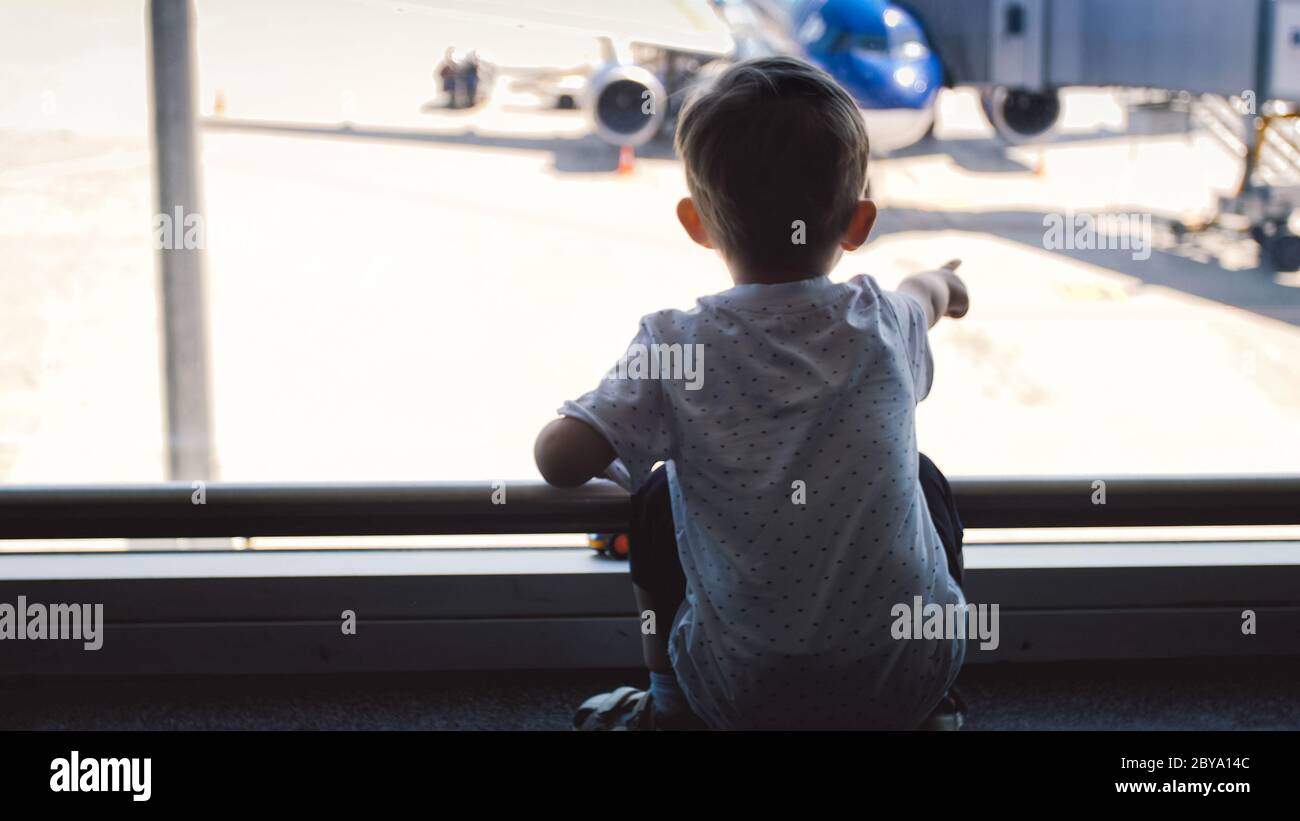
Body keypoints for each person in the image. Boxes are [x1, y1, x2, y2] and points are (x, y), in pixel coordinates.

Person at [533, 56, 971, 730]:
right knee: (924, 479)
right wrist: (947, 284)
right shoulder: (883, 318)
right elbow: (925, 293)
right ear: (858, 224)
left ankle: (667, 702)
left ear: (695, 222)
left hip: (742, 692)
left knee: (657, 495)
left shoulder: (675, 345)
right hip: (906, 676)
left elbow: (562, 458)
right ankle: (938, 704)